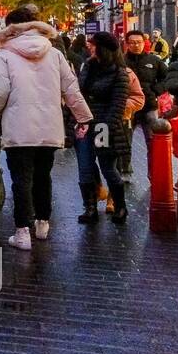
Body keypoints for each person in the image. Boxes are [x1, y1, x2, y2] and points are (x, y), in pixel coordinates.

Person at [0, 6, 92, 250]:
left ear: (10, 29)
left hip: (17, 126)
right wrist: (83, 117)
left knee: (21, 179)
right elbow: (71, 89)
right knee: (43, 175)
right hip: (49, 125)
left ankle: (22, 232)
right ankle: (42, 223)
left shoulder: (3, 55)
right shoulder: (54, 54)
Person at [75, 31, 133, 225]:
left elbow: (117, 106)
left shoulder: (119, 73)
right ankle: (90, 208)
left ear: (103, 49)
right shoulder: (88, 67)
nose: (89, 47)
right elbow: (78, 94)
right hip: (84, 124)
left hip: (104, 126)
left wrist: (104, 129)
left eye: (93, 44)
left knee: (108, 168)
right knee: (85, 167)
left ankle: (120, 206)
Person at [124, 28, 168, 171]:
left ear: (144, 43)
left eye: (139, 42)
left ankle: (153, 173)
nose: (136, 45)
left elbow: (167, 78)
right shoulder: (121, 61)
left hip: (149, 106)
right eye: (132, 43)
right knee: (125, 141)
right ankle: (125, 169)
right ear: (127, 44)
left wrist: (155, 91)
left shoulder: (154, 60)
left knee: (152, 141)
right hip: (128, 107)